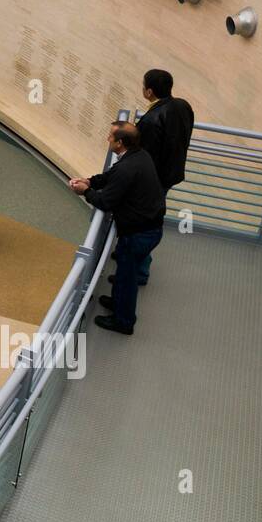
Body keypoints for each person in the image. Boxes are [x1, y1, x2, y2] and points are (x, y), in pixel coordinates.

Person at [69, 121, 165, 335]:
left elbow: (106, 202)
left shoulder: (127, 167)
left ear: (120, 143)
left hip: (139, 234)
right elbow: (111, 178)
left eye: (110, 136)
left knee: (128, 277)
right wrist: (90, 181)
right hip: (149, 228)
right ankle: (117, 302)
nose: (107, 139)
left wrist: (85, 191)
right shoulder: (139, 156)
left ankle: (124, 321)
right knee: (124, 272)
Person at [123, 69, 194, 286]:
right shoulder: (182, 106)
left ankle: (138, 271)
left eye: (143, 85)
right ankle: (135, 264)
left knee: (144, 225)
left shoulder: (151, 121)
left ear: (149, 91)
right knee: (150, 222)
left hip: (153, 182)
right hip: (169, 175)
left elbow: (145, 156)